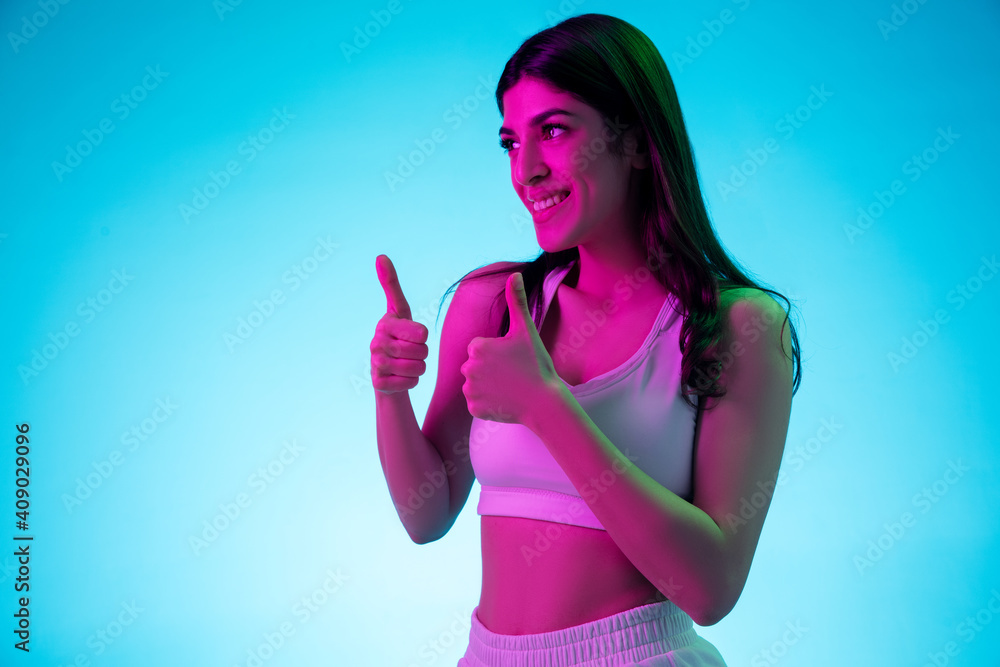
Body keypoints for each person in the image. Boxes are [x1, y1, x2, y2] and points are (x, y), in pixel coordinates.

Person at [371, 13, 801, 666]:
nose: (527, 170)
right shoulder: (495, 303)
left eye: (554, 130)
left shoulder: (737, 327)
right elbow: (425, 517)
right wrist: (389, 393)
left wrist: (546, 405)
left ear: (634, 140)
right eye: (511, 141)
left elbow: (712, 586)